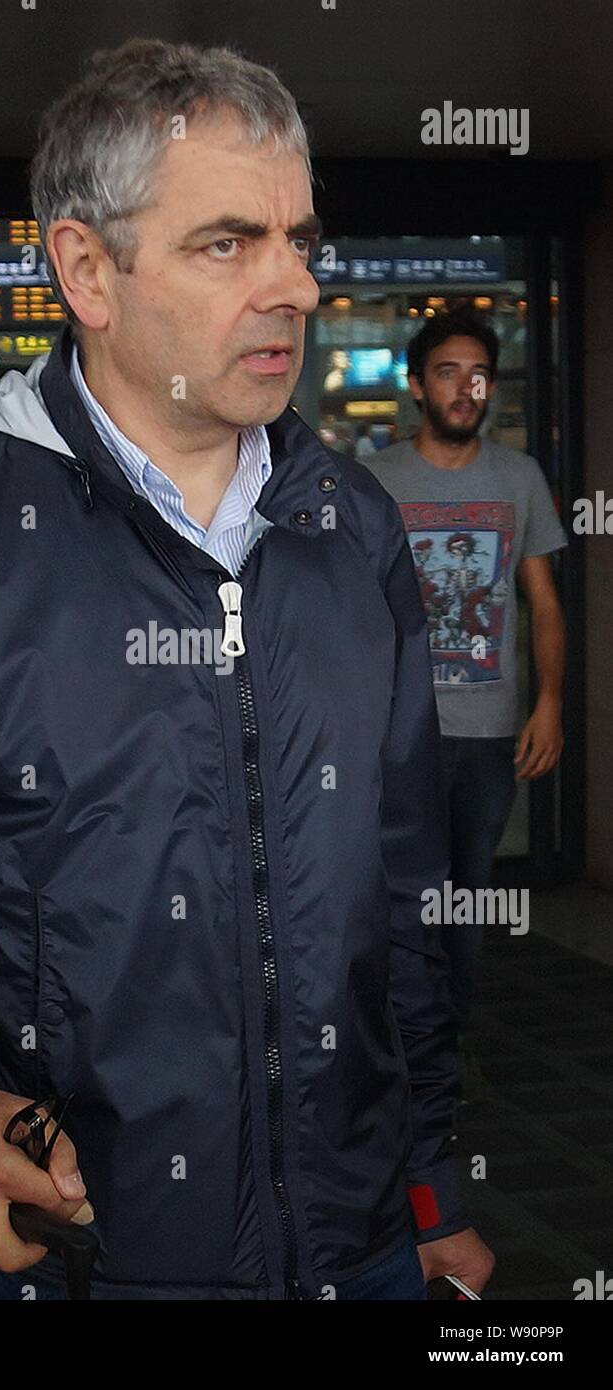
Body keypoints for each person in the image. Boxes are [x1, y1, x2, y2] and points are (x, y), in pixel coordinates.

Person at [0, 38, 493, 1301]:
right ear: (87, 269)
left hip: (362, 1247)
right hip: (99, 1263)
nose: (295, 286)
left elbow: (406, 905)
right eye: (228, 243)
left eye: (300, 239)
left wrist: (430, 1190)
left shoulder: (350, 526)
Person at [364, 309, 567, 1096]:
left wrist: (548, 704)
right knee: (391, 901)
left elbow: (542, 603)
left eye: (476, 372)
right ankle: (392, 1053)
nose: (464, 386)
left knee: (462, 903)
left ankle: (444, 1053)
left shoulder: (517, 479)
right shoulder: (376, 480)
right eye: (446, 371)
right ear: (417, 385)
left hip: (486, 734)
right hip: (397, 736)